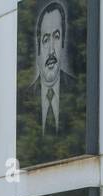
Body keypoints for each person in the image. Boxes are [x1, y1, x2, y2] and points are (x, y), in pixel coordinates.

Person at [29, 0, 73, 133]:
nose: (51, 51)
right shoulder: (25, 99)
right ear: (38, 49)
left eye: (57, 37)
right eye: (46, 40)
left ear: (63, 44)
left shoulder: (77, 89)